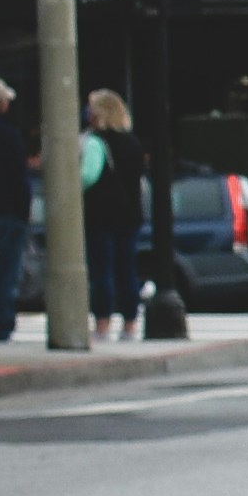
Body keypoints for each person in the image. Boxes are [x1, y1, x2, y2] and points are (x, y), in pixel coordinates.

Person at [80, 88, 146, 345]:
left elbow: (87, 176)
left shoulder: (96, 142)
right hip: (129, 215)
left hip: (101, 215)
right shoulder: (133, 143)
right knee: (127, 271)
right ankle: (130, 325)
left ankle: (102, 324)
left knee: (102, 271)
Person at [0, 79, 30, 344]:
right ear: (1, 104)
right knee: (3, 273)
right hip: (5, 212)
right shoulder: (9, 135)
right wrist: (23, 211)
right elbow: (18, 178)